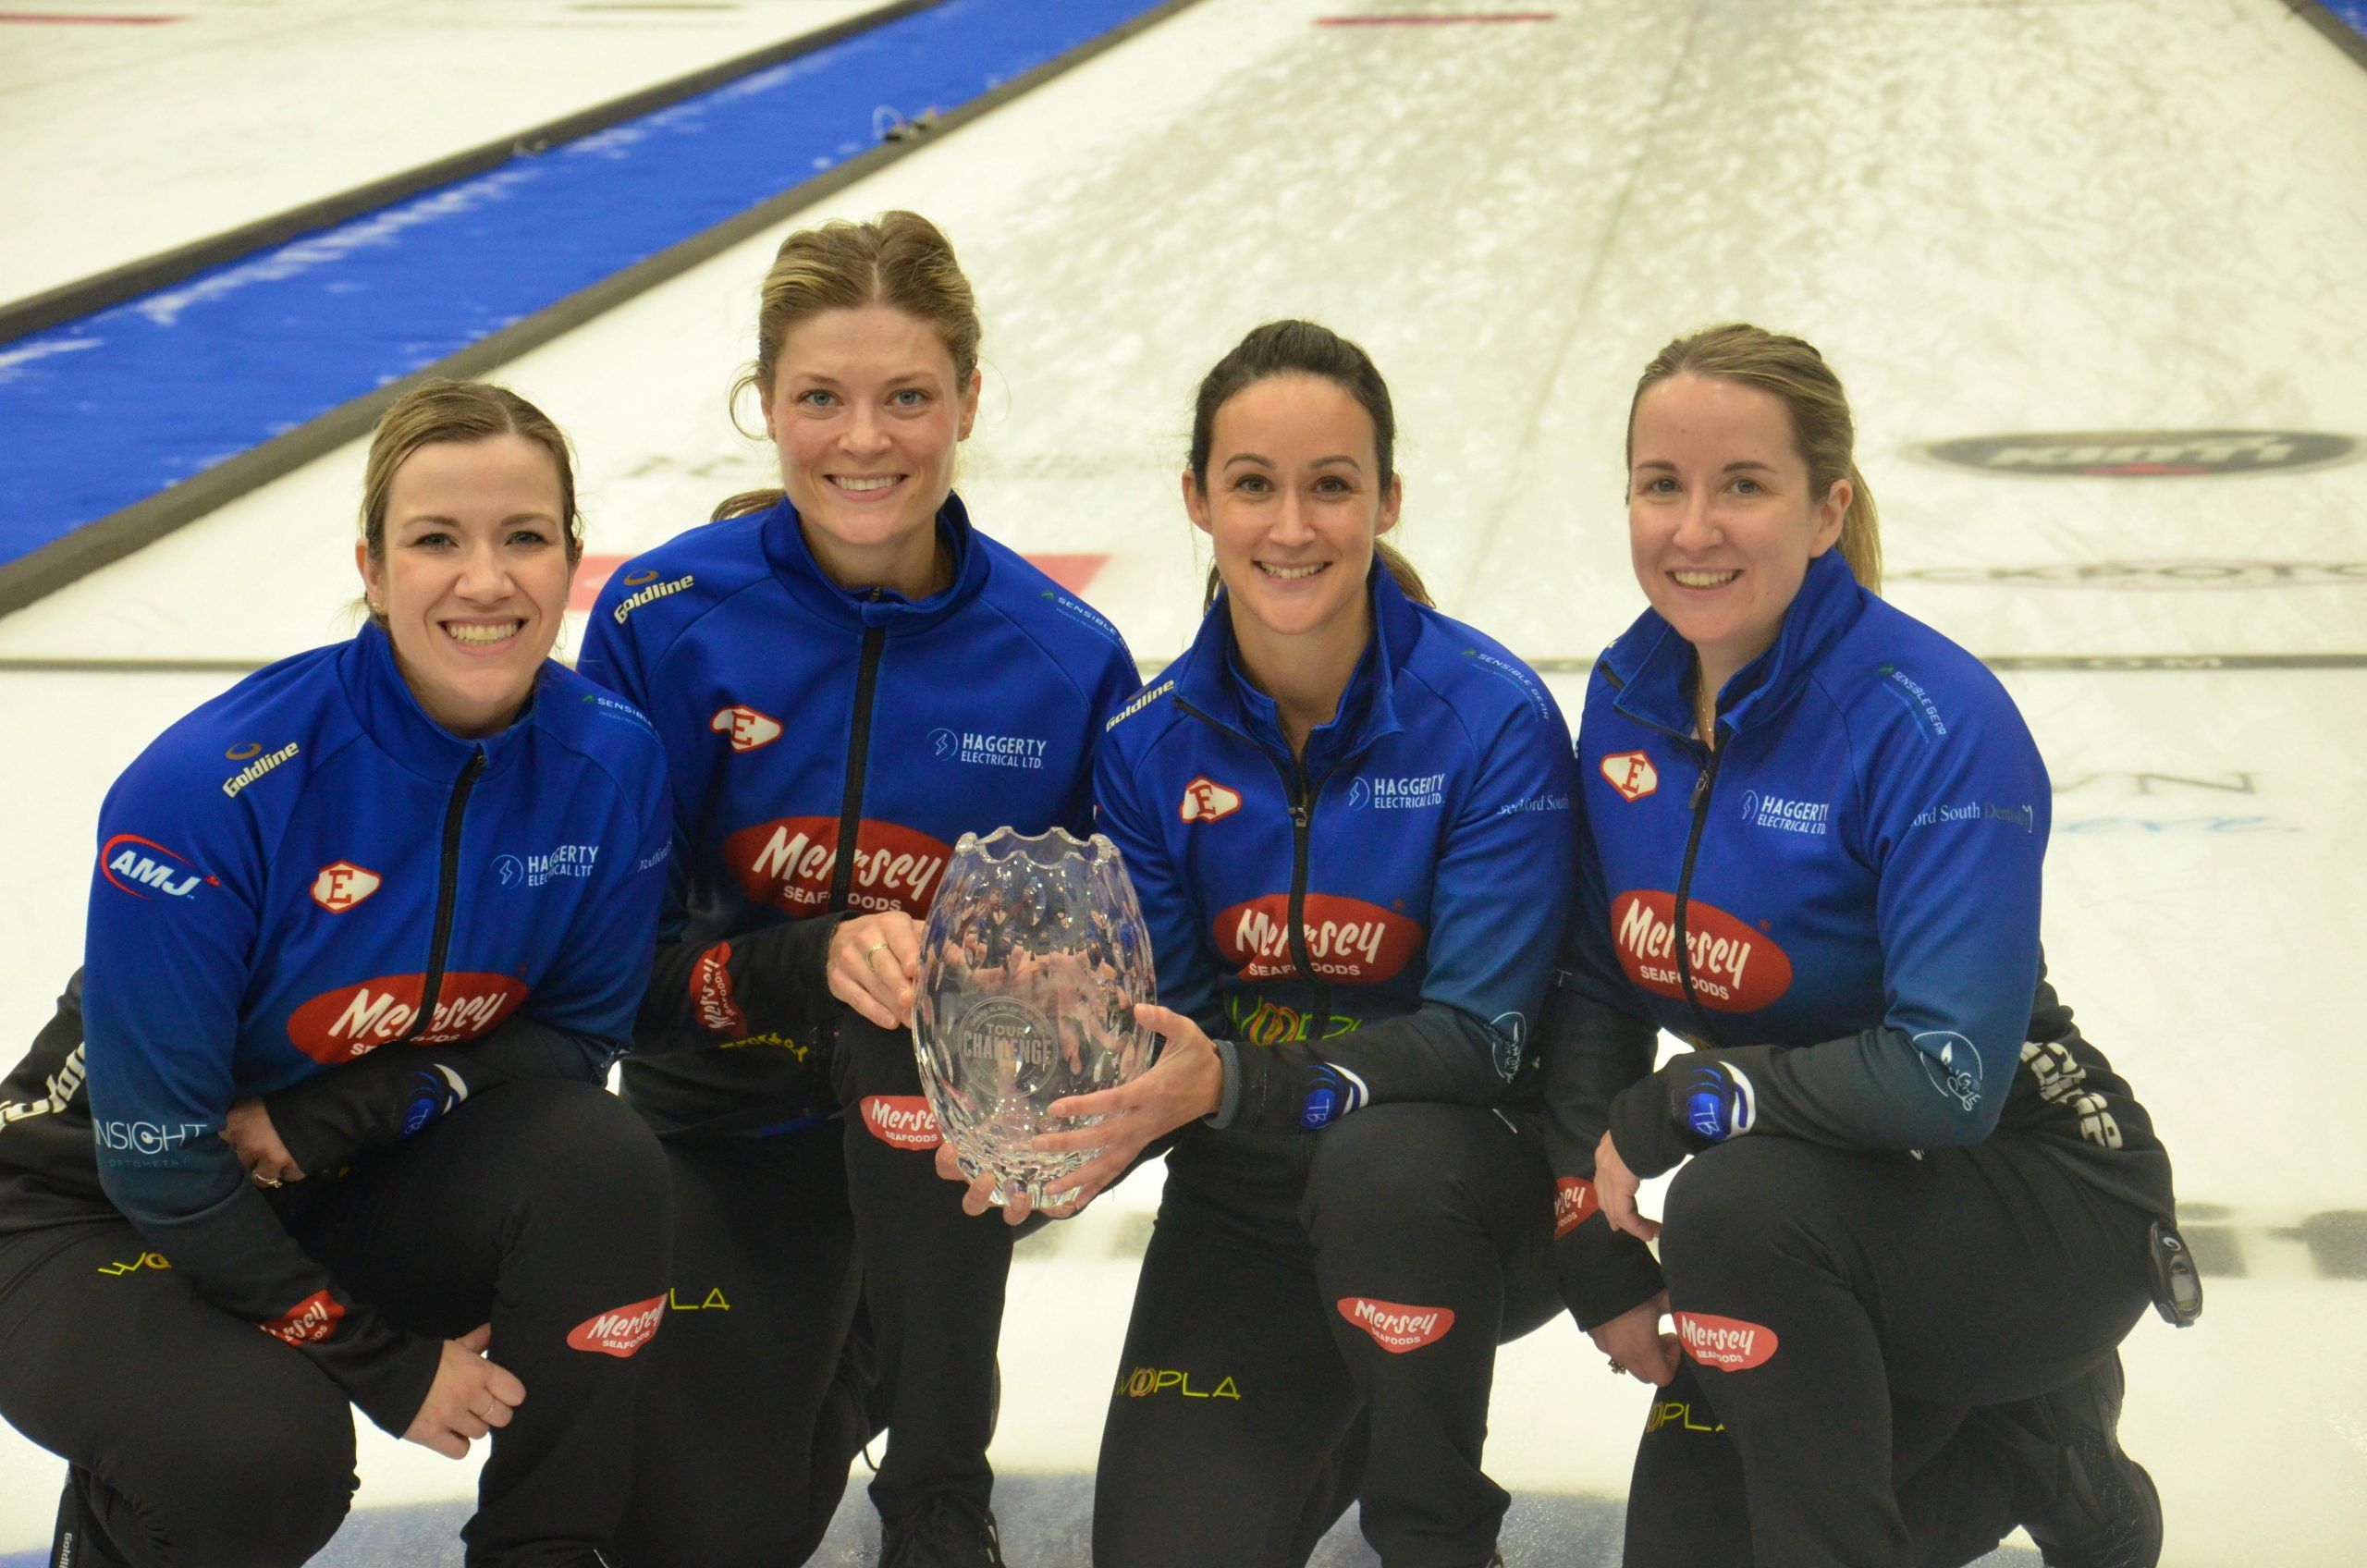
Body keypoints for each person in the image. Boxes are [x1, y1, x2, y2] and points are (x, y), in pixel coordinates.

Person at [0, 381, 676, 1568]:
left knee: (597, 1158)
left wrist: (352, 1110)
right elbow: (158, 1161)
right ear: (371, 568)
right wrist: (388, 1363)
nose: (485, 580)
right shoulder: (210, 785)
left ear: (572, 558)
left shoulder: (611, 763)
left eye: (524, 536)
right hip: (88, 1206)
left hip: (333, 1174)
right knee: (261, 1456)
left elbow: (578, 1040)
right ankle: (123, 1508)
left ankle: (545, 1549)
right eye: (436, 540)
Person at [1545, 324, 2179, 1568]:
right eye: (1662, 484)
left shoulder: (1931, 722)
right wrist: (1593, 1250)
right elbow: (1592, 980)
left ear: (1827, 509)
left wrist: (1693, 1095)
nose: (1694, 528)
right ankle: (2020, 1441)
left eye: (1743, 485)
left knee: (1733, 1203)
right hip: (1814, 1211)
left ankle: (2040, 1422)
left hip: (2031, 1194)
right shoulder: (1624, 696)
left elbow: (1949, 1076)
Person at [969, 319, 1584, 1568]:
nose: (1291, 526)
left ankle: (1437, 1532)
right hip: (1247, 1208)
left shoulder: (1492, 722)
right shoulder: (1145, 746)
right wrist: (1052, 1113)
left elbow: (1479, 1040)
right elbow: (1173, 1043)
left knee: (1386, 1169)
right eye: (1252, 484)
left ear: (1387, 499)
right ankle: (1334, 1393)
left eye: (1331, 486)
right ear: (1198, 499)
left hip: (1457, 1199)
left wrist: (1236, 1085)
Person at [576, 211, 1138, 1568]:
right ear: (765, 404)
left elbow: (1106, 1000)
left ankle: (938, 1497)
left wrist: (1036, 1015)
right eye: (821, 398)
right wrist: (802, 959)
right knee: (702, 1534)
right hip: (716, 1136)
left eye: (908, 398)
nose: (865, 440)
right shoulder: (662, 621)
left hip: (936, 1156)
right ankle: (835, 1355)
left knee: (928, 995)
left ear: (968, 403)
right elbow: (603, 976)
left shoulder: (1065, 664)